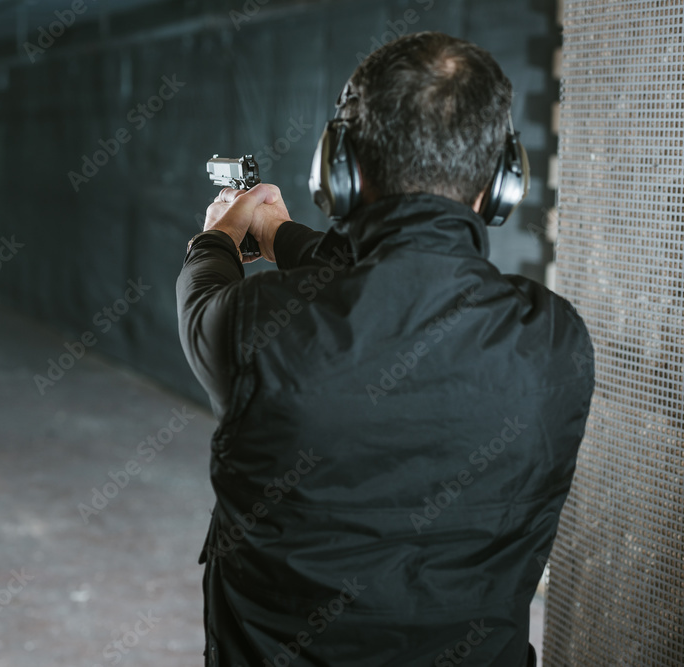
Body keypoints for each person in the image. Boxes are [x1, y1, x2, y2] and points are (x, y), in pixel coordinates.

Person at [176, 32, 594, 667]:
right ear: (502, 181)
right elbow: (406, 270)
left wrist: (222, 236)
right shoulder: (555, 339)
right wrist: (279, 234)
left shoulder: (257, 328)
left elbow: (202, 297)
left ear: (341, 171)